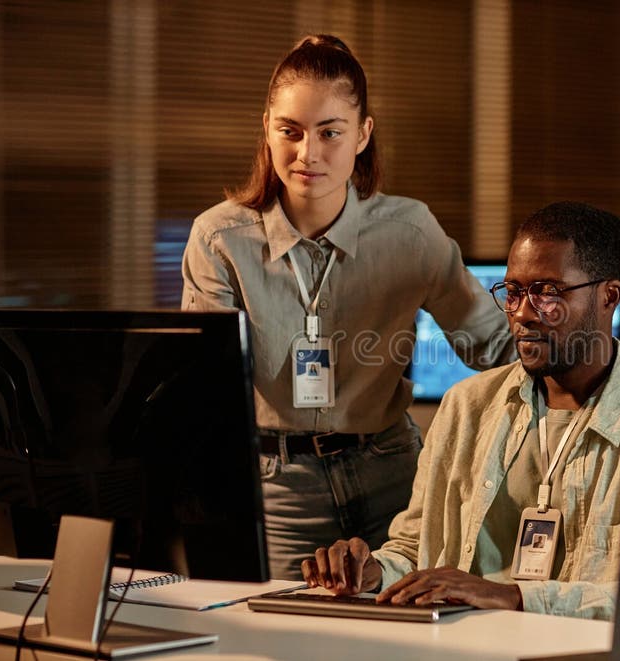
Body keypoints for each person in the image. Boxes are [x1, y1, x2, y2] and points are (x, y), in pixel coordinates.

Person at [180, 34, 512, 579]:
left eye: (330, 133)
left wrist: (617, 379)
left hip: (393, 477)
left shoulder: (409, 231)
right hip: (280, 487)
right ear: (266, 127)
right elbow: (208, 388)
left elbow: (494, 346)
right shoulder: (221, 239)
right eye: (290, 130)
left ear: (362, 135)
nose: (307, 153)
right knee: (290, 633)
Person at [303, 201, 620, 620]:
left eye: (547, 292)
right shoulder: (467, 408)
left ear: (608, 296)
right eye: (514, 292)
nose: (523, 313)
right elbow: (417, 548)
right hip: (458, 648)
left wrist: (513, 596)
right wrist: (372, 569)